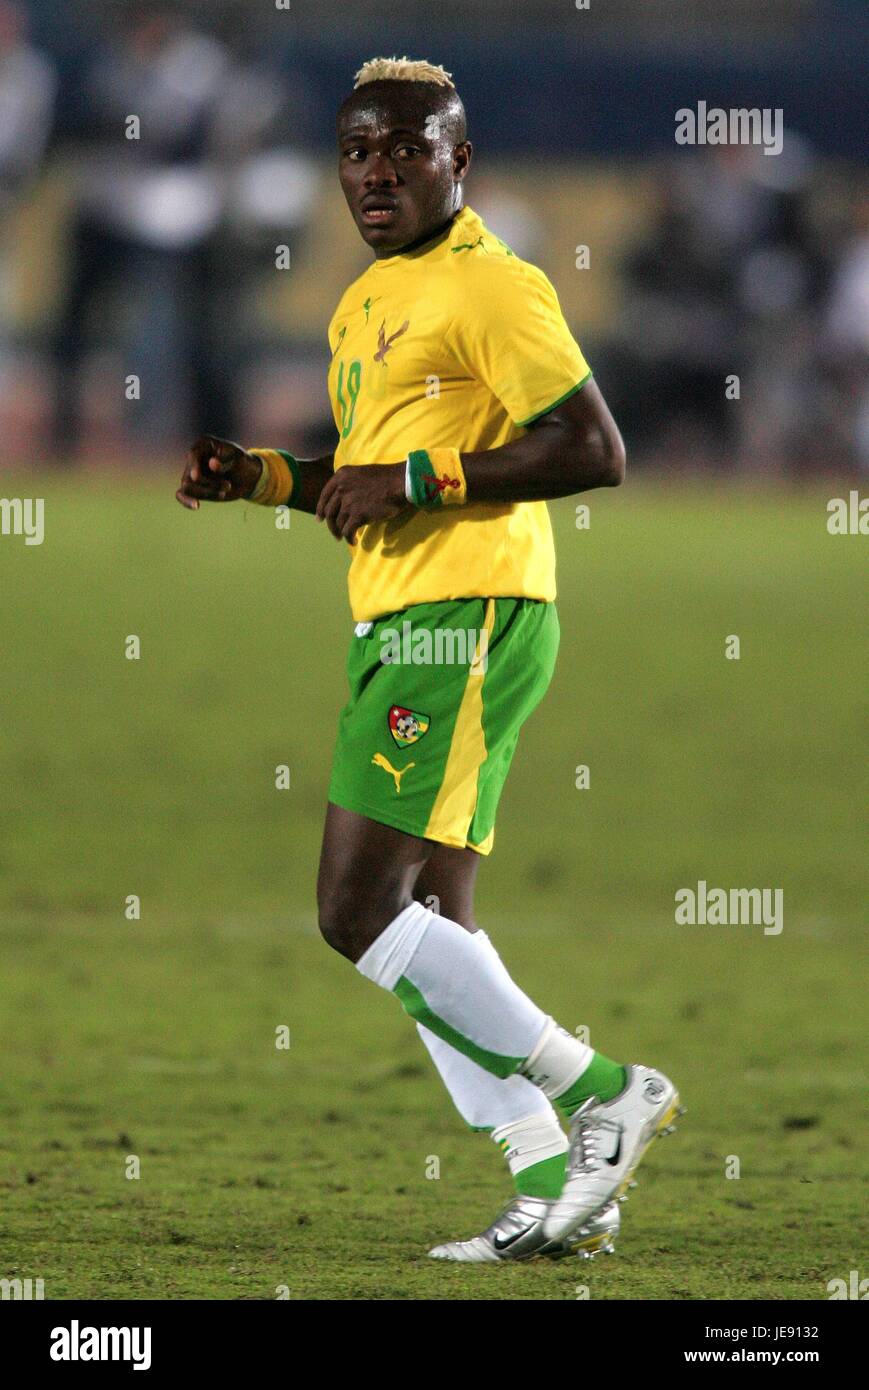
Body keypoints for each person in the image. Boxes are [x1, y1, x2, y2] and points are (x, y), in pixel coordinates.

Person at [176, 56, 681, 1264]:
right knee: (432, 917)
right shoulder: (363, 303)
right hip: (406, 613)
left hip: (462, 616)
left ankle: (606, 1089)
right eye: (357, 152)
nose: (377, 172)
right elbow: (366, 486)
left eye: (406, 150)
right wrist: (262, 477)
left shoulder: (490, 286)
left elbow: (591, 448)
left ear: (461, 161)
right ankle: (552, 1180)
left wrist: (417, 477)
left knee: (355, 911)